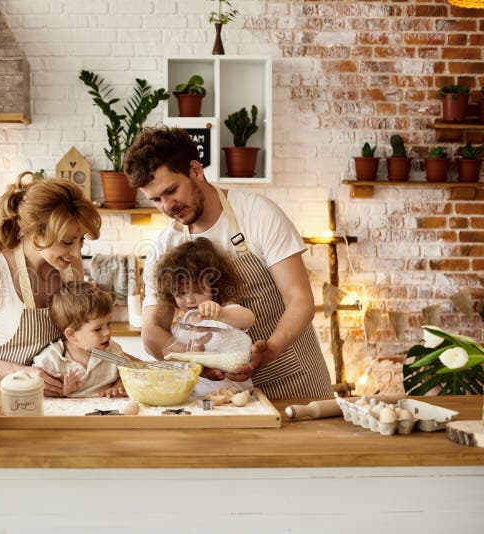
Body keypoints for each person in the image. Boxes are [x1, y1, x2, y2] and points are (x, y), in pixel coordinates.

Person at [123, 126, 333, 399]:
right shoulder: (165, 246)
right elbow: (152, 330)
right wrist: (195, 360)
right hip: (217, 392)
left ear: (196, 170)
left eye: (171, 190)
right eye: (155, 200)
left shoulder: (257, 213)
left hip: (290, 376)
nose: (167, 207)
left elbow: (300, 300)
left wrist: (268, 351)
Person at [0, 175, 101, 397]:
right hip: (11, 399)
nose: (77, 252)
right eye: (67, 242)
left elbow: (84, 334)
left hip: (67, 399)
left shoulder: (70, 267)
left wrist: (128, 367)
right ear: (36, 233)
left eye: (81, 240)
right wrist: (22, 371)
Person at [153, 237, 255, 396]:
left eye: (198, 291)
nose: (189, 300)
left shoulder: (226, 312)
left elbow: (249, 318)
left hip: (235, 396)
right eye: (181, 293)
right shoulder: (180, 326)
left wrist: (220, 314)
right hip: (196, 399)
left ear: (215, 286)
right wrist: (194, 352)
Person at [33, 281, 128, 398]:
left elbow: (130, 375)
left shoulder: (114, 350)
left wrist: (118, 386)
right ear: (72, 335)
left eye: (109, 323)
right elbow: (36, 392)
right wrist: (62, 392)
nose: (107, 332)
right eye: (98, 329)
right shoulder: (51, 359)